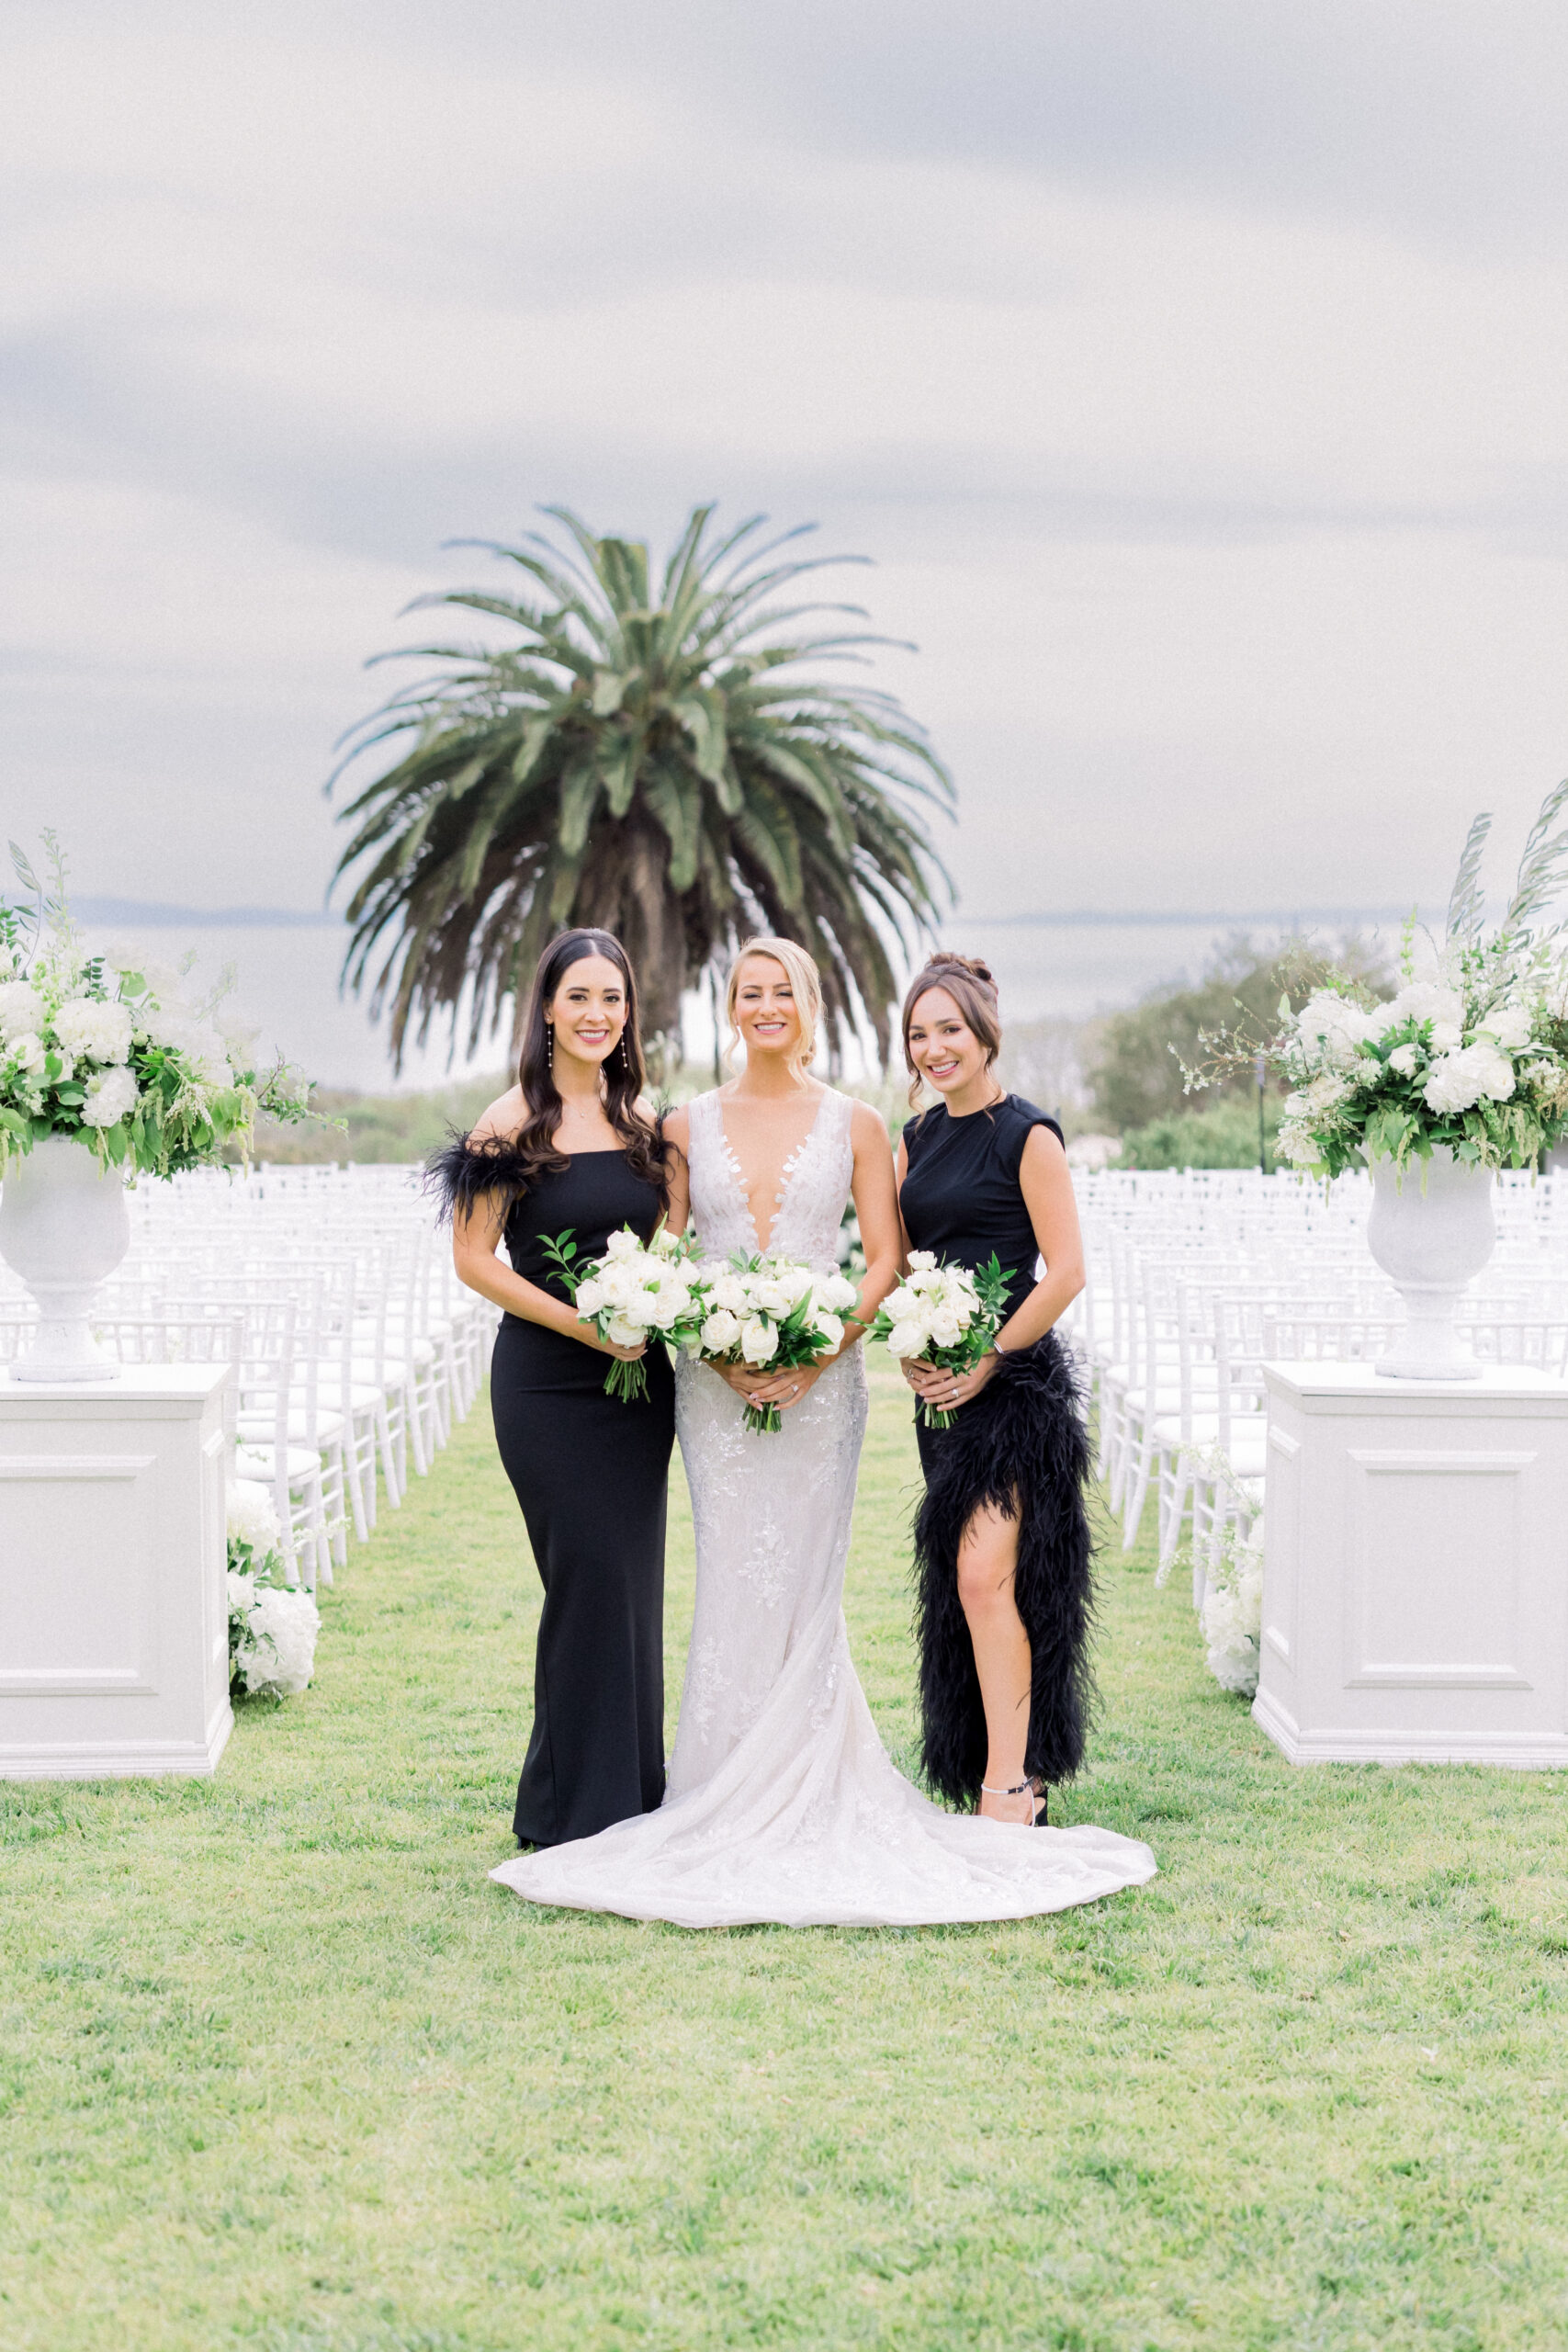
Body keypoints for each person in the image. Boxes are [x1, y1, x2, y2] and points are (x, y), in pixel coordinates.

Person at [489, 938, 1155, 1927]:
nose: (767, 1006)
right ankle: (717, 1783)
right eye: (749, 992)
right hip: (713, 1392)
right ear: (730, 1006)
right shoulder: (684, 1123)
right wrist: (714, 1349)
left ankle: (835, 1774)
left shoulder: (860, 1122)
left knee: (804, 1584)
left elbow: (883, 1258)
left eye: (783, 991)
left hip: (825, 1389)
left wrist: (816, 1349)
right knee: (731, 1579)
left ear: (810, 1004)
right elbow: (666, 1250)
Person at [433, 928, 673, 1849]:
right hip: (545, 1384)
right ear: (546, 1007)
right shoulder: (510, 1122)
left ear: (628, 1013)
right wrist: (581, 1324)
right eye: (579, 996)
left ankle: (633, 1794)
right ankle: (570, 1809)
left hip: (639, 1390)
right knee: (586, 1578)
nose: (596, 1014)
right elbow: (470, 1258)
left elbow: (673, 1244)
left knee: (631, 1584)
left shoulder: (646, 1119)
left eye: (612, 998)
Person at [896, 954, 1094, 1827]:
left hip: (1013, 1394)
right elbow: (908, 1261)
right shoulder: (917, 1138)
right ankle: (995, 1770)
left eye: (948, 1030)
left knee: (986, 1577)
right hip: (939, 1395)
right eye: (918, 1034)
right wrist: (913, 1340)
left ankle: (1009, 1788)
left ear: (984, 1034)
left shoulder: (1029, 1136)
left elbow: (1066, 1273)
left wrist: (988, 1357)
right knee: (968, 1585)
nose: (933, 1048)